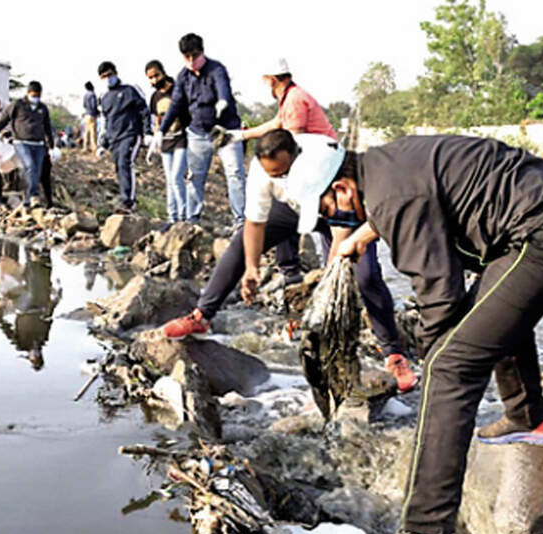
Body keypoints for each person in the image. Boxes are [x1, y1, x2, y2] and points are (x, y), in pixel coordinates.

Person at [284, 134, 543, 534]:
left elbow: (440, 298)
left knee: (449, 364)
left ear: (341, 189)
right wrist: (364, 232)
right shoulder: (382, 169)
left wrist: (438, 374)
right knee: (490, 315)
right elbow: (415, 202)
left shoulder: (393, 195)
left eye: (327, 211)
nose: (331, 220)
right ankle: (530, 418)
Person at [161, 129, 418, 392]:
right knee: (240, 244)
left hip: (335, 205)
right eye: (275, 175)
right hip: (296, 209)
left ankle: (394, 355)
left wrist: (331, 278)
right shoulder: (262, 172)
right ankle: (202, 314)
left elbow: (343, 222)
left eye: (285, 172)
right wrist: (251, 267)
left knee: (366, 276)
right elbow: (254, 223)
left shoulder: (322, 154)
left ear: (298, 155)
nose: (281, 178)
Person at [213, 56, 337, 285]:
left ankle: (314, 270)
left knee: (295, 213)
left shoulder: (295, 100)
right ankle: (306, 268)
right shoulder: (290, 97)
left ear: (271, 80)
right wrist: (238, 135)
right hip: (317, 167)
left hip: (321, 169)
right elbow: (275, 125)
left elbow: (290, 140)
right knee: (301, 214)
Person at [157, 33, 246, 229]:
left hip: (225, 130)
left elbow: (223, 88)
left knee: (235, 173)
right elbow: (176, 105)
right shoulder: (183, 76)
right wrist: (161, 130)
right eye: (186, 57)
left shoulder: (216, 69)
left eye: (194, 56)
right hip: (198, 132)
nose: (191, 61)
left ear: (202, 52)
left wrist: (223, 101)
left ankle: (240, 221)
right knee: (195, 176)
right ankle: (192, 220)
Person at [0, 81, 54, 208]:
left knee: (37, 170)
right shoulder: (17, 105)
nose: (36, 98)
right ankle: (33, 196)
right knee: (29, 166)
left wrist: (51, 145)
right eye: (34, 95)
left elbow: (47, 127)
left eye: (38, 95)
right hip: (21, 142)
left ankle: (29, 199)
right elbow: (4, 120)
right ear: (28, 93)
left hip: (38, 144)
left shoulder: (43, 108)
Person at [97, 61, 150, 213]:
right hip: (114, 139)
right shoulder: (104, 97)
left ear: (115, 73)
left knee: (125, 163)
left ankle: (129, 201)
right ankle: (124, 199)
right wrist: (103, 144)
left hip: (130, 134)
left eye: (109, 75)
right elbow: (105, 122)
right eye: (104, 76)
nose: (107, 78)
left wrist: (148, 132)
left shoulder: (129, 90)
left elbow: (144, 111)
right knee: (119, 168)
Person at [145, 60, 192, 228]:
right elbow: (156, 120)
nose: (154, 80)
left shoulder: (178, 91)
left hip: (182, 138)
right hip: (166, 141)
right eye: (150, 78)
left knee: (176, 177)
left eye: (156, 75)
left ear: (163, 72)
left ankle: (184, 216)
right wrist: (154, 141)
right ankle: (171, 218)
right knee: (169, 181)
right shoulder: (155, 97)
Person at [82, 81, 99, 152]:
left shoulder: (85, 95)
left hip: (86, 115)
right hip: (92, 115)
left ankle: (85, 147)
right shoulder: (92, 94)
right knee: (93, 132)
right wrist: (97, 112)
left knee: (87, 132)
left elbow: (84, 105)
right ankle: (94, 148)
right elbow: (94, 105)